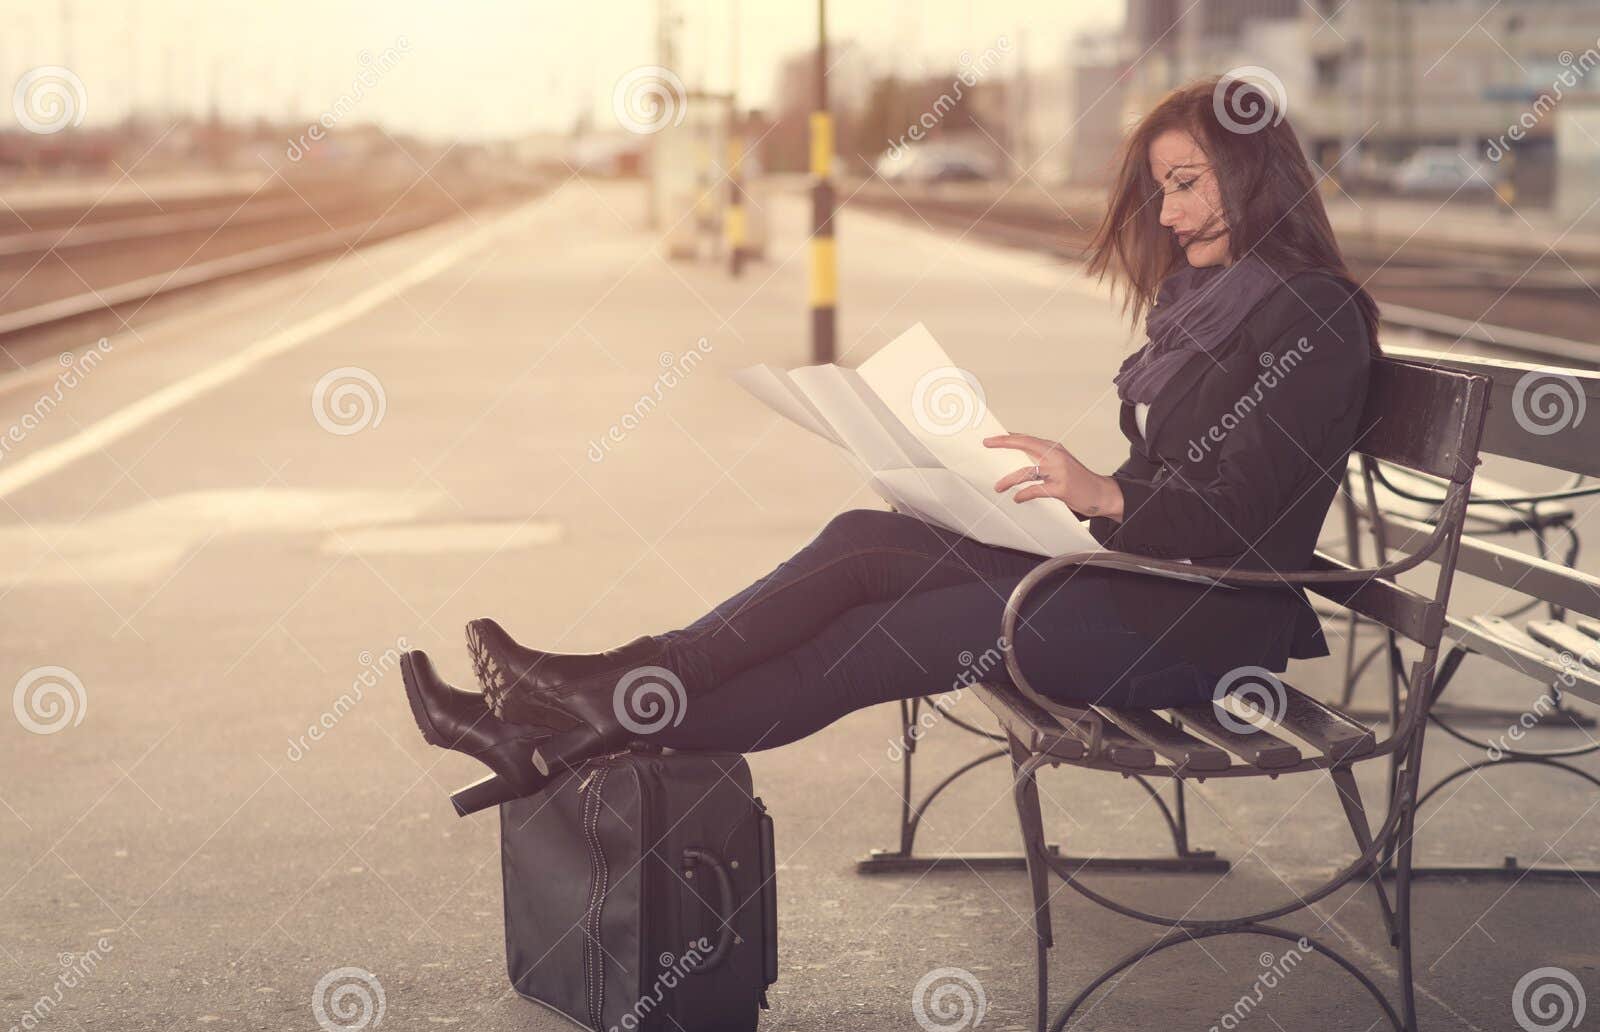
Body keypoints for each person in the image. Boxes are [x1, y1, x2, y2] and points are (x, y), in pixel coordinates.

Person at [401, 75, 1381, 795]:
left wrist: (1104, 496)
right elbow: (1178, 485)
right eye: (1159, 191)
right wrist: (1039, 500)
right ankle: (596, 693)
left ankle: (555, 724)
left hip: (1203, 625)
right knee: (864, 541)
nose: (1166, 216)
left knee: (879, 641)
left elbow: (1246, 518)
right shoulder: (1217, 302)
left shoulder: (1315, 318)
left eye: (1185, 185)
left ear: (1256, 176)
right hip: (1137, 581)